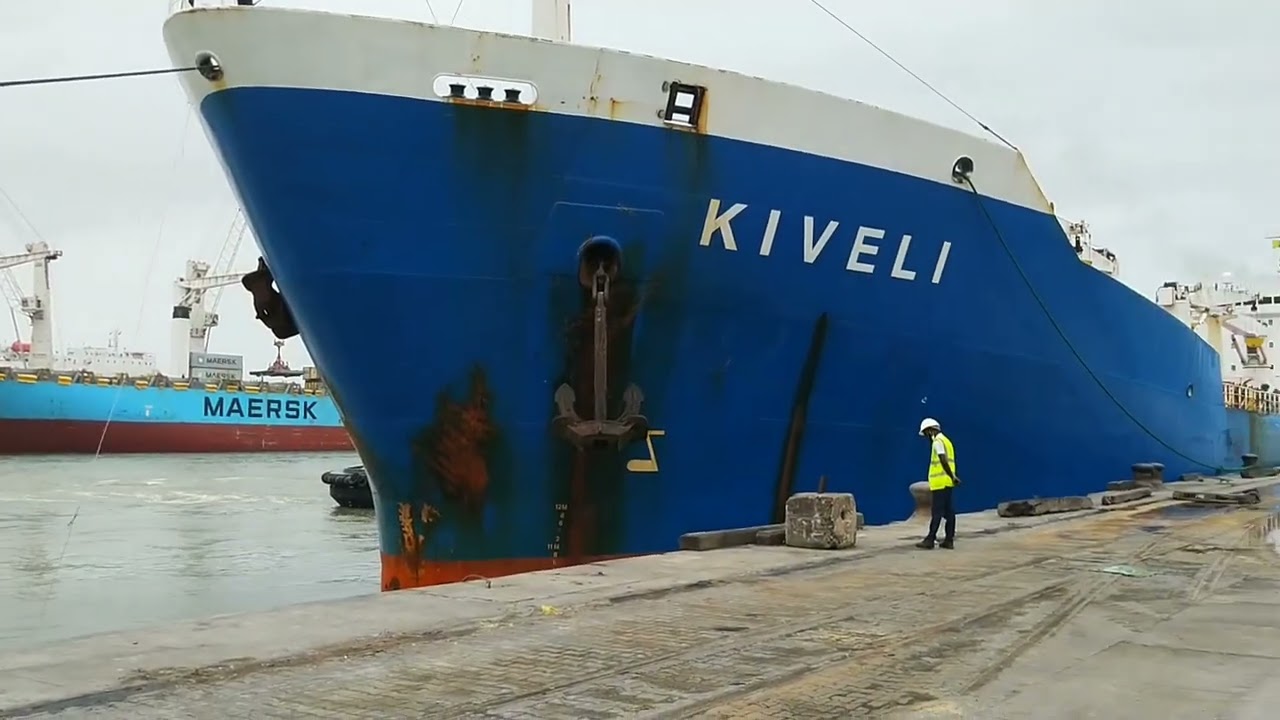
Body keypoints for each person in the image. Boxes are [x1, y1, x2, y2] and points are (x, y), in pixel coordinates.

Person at [916, 417, 959, 549]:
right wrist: (952, 477)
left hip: (940, 483)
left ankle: (930, 539)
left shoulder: (937, 442)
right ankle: (949, 540)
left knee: (937, 512)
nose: (927, 437)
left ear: (930, 431)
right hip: (947, 482)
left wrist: (952, 476)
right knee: (949, 512)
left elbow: (943, 459)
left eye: (926, 434)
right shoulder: (947, 441)